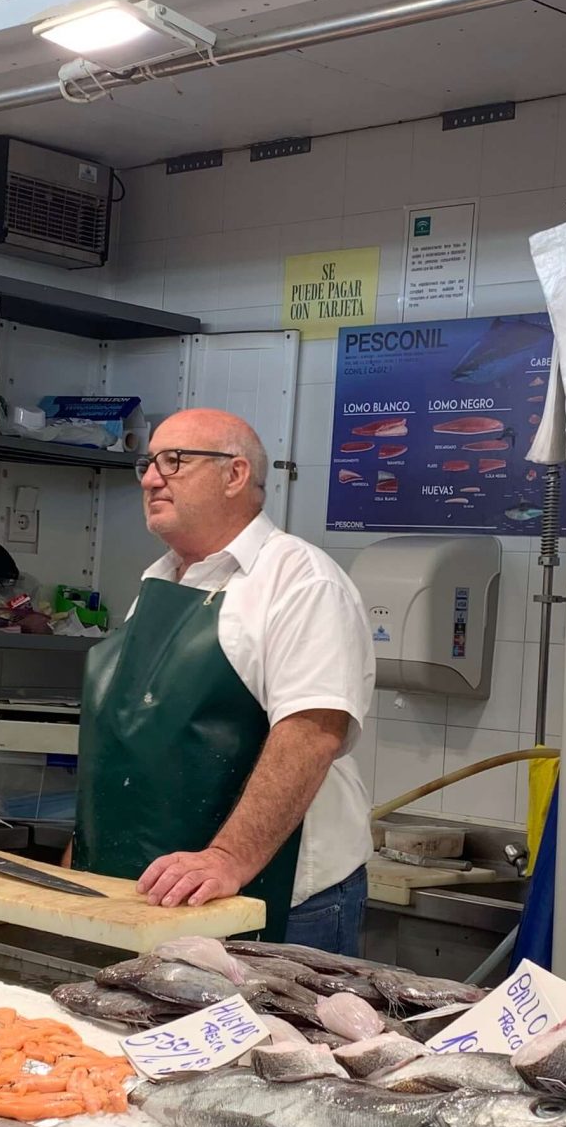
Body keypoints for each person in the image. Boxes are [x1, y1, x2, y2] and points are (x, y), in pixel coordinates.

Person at [76, 408, 376, 952]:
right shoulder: (158, 582)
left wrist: (228, 858)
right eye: (148, 463)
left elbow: (313, 732)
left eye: (174, 461)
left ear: (235, 474)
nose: (150, 479)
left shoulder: (301, 582)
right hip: (162, 896)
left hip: (275, 900)